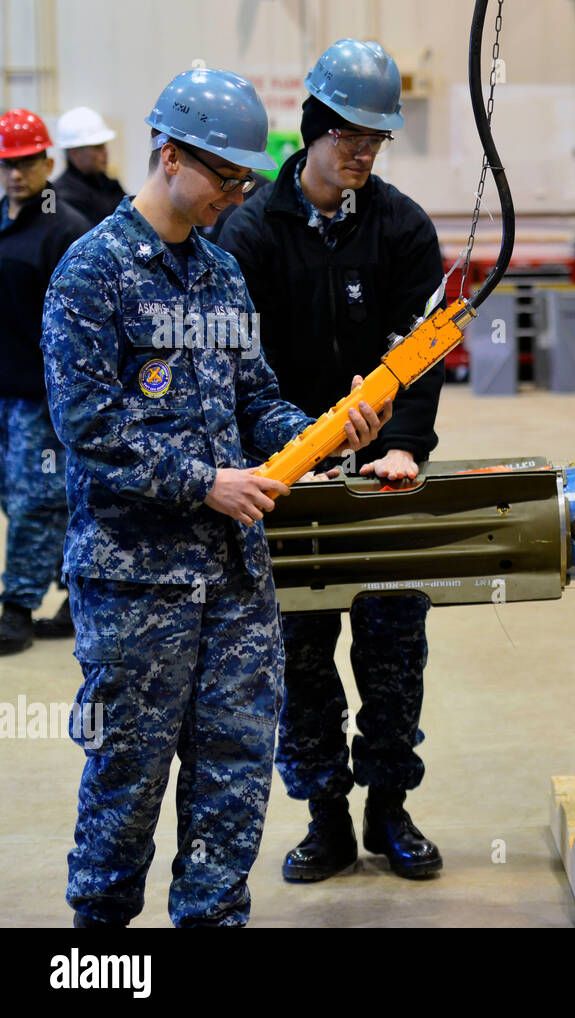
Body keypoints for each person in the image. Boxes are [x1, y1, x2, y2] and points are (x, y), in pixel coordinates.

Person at [42, 67, 391, 927]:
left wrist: (327, 429)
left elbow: (254, 402)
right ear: (169, 156)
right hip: (135, 587)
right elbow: (89, 430)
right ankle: (101, 942)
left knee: (232, 776)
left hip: (234, 581)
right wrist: (208, 483)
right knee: (129, 775)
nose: (236, 198)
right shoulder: (91, 275)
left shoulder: (222, 275)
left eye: (244, 182)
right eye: (224, 179)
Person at [218, 39, 446, 883]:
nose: (360, 152)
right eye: (349, 133)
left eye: (376, 139)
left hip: (381, 481)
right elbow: (244, 370)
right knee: (301, 658)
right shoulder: (250, 234)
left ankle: (390, 809)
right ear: (312, 125)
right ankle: (326, 819)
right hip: (286, 481)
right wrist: (290, 454)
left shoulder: (403, 229)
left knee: (393, 654)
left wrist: (400, 447)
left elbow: (419, 353)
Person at [0, 109, 90, 653]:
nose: (16, 174)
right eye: (8, 163)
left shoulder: (65, 229)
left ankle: (16, 605)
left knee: (36, 499)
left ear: (47, 162)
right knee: (16, 497)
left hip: (42, 396)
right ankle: (75, 591)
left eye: (27, 162)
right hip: (4, 391)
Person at [52, 107, 125, 226]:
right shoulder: (62, 197)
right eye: (98, 147)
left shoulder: (110, 186)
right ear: (74, 153)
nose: (105, 152)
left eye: (104, 146)